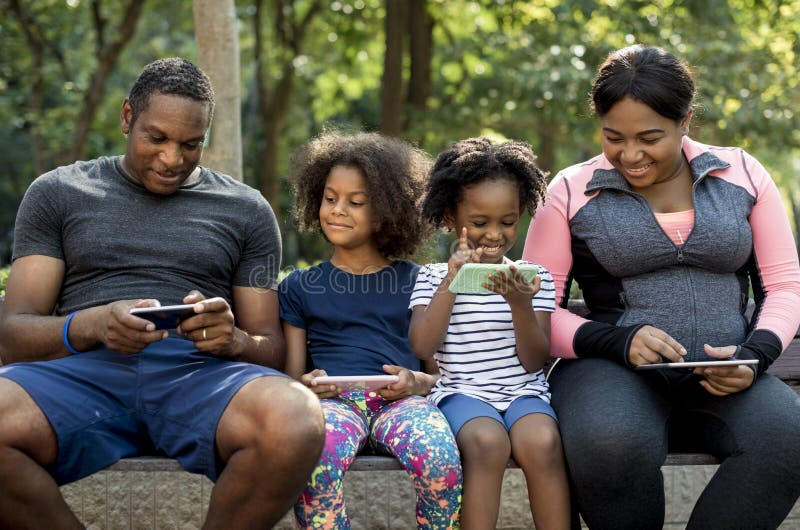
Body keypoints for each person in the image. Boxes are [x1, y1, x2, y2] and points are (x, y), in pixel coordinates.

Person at [0, 57, 325, 529]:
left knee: (297, 418)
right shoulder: (59, 193)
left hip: (200, 377)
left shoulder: (247, 210)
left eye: (191, 144)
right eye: (157, 138)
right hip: (83, 373)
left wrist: (231, 339)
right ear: (128, 116)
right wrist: (93, 324)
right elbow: (12, 334)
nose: (172, 159)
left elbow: (269, 347)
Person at [523, 44, 800, 529]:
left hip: (726, 378)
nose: (630, 155)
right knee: (609, 442)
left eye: (650, 137)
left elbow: (785, 285)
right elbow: (536, 306)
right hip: (608, 375)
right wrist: (618, 341)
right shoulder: (568, 191)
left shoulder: (743, 174)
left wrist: (754, 357)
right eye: (613, 137)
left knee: (790, 437)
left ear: (685, 120)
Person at [279, 131, 462, 529]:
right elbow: (293, 379)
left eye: (355, 202)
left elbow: (437, 373)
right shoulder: (299, 287)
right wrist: (310, 384)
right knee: (313, 455)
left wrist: (415, 382)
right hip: (334, 406)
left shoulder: (418, 281)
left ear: (385, 210)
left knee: (441, 457)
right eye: (330, 198)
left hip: (401, 404)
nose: (338, 210)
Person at [408, 137, 571, 530]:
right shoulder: (432, 277)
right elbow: (422, 345)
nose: (494, 234)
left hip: (523, 391)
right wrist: (452, 279)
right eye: (480, 223)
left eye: (508, 221)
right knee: (487, 443)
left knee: (543, 443)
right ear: (451, 217)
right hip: (461, 392)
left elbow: (535, 359)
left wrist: (519, 304)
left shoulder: (533, 280)